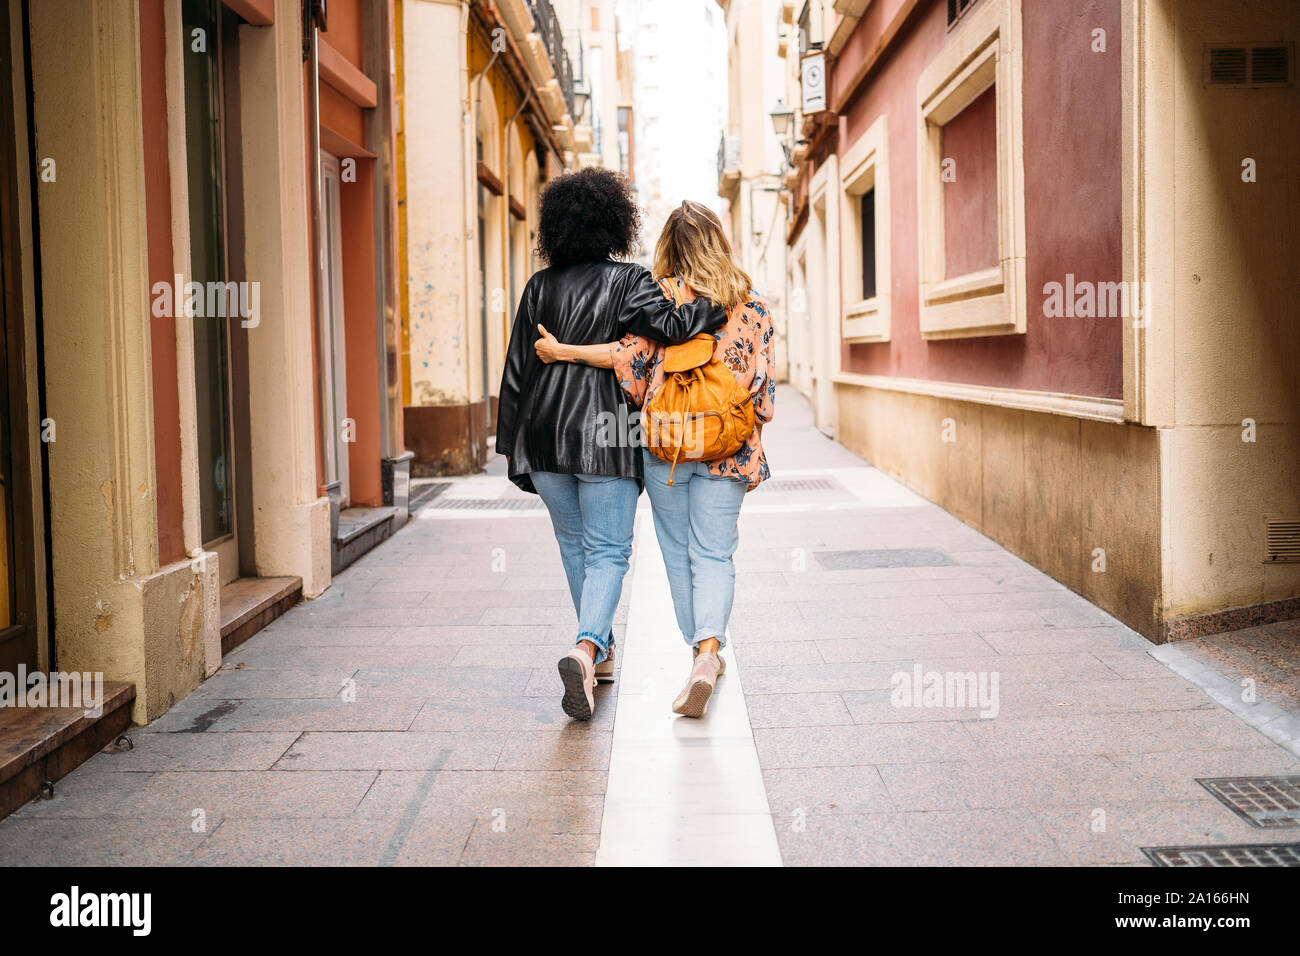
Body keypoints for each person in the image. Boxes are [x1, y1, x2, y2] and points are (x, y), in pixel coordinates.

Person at [496, 171, 728, 722]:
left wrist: (513, 450)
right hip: (607, 435)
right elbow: (672, 325)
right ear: (616, 222)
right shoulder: (628, 280)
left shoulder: (538, 287)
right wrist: (712, 308)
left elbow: (515, 374)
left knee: (577, 548)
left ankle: (596, 654)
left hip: (545, 437)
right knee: (608, 552)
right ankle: (585, 647)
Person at [534, 200, 775, 718]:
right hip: (727, 451)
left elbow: (629, 366)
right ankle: (706, 656)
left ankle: (694, 650)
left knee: (677, 553)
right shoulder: (752, 305)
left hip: (666, 449)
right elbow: (763, 393)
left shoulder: (658, 299)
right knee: (714, 554)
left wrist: (565, 352)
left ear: (668, 247)